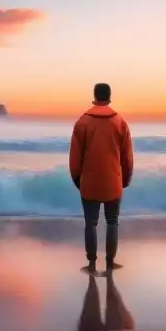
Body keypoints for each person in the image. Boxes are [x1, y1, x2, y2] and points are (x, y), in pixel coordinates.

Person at [69, 82, 134, 275]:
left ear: (95, 97)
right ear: (109, 96)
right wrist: (126, 179)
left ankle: (91, 264)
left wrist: (77, 180)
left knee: (91, 222)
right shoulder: (120, 122)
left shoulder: (82, 123)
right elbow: (127, 157)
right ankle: (110, 262)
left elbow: (74, 159)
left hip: (89, 182)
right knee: (112, 221)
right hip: (114, 182)